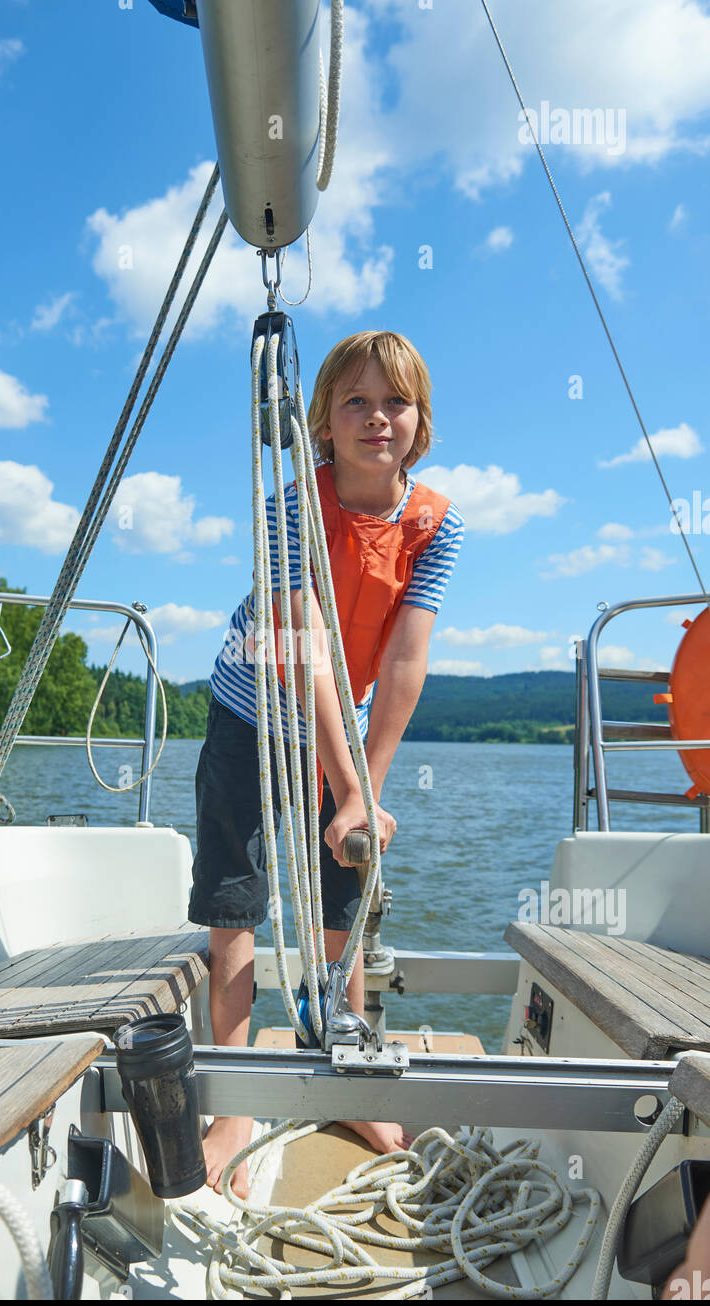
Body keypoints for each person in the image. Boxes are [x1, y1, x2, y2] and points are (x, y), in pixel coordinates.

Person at [188, 329, 465, 1197]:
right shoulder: (290, 505)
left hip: (338, 713)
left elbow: (405, 664)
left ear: (418, 421)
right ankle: (229, 1104)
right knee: (234, 901)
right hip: (254, 703)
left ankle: (336, 1070)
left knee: (344, 881)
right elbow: (297, 641)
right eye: (355, 400)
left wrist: (363, 797)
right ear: (323, 420)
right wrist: (343, 783)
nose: (376, 417)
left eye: (395, 402)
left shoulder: (436, 523)